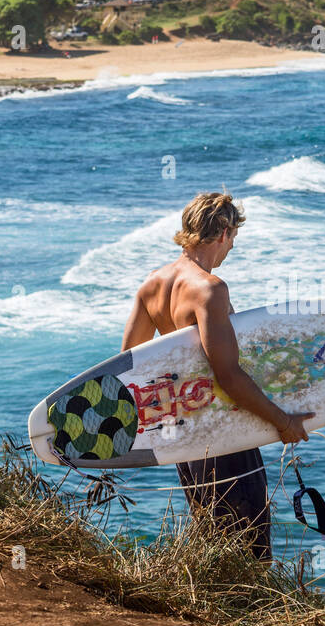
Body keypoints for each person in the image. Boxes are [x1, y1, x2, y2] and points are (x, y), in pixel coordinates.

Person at [121, 192, 312, 561]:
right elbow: (228, 375)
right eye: (234, 239)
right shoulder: (210, 289)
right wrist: (282, 421)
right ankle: (245, 614)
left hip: (184, 434)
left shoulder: (152, 285)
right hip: (223, 432)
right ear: (224, 231)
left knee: (211, 534)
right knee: (250, 545)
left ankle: (212, 608)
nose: (231, 249)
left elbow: (130, 365)